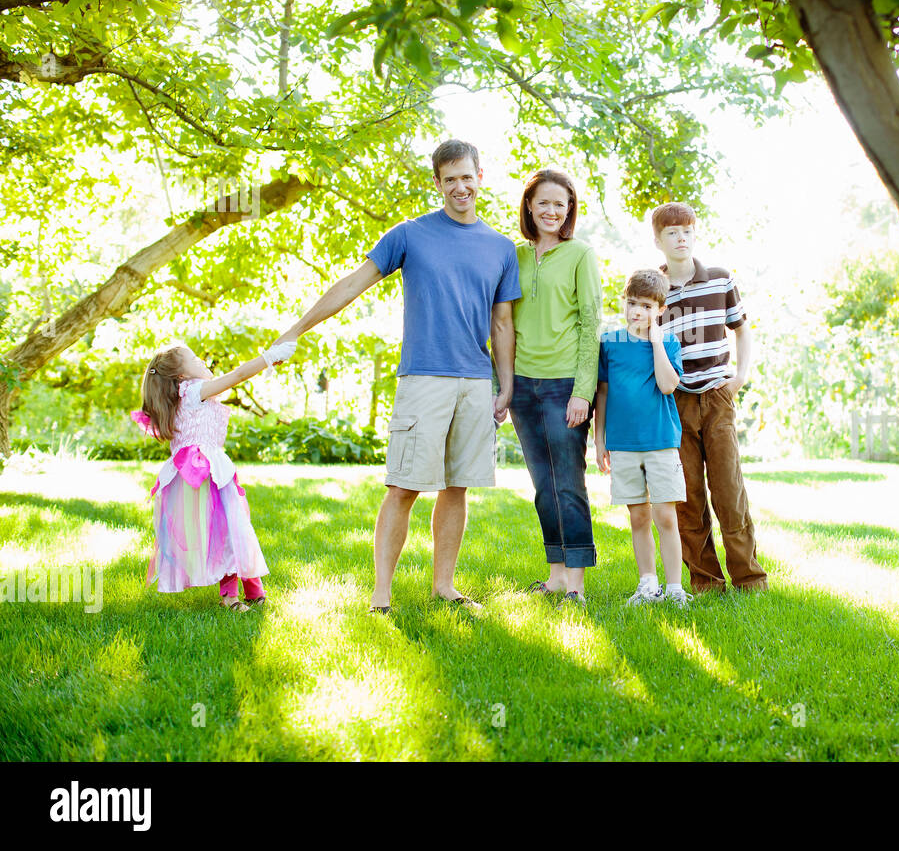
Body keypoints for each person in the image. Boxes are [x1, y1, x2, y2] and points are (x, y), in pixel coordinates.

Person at [273, 139, 521, 612]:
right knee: (403, 486)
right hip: (423, 379)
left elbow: (502, 322)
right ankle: (381, 594)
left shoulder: (501, 248)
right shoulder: (409, 235)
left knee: (456, 487)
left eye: (467, 177)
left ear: (480, 177)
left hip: (474, 381)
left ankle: (444, 586)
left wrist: (504, 384)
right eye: (450, 179)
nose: (460, 187)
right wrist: (296, 329)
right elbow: (351, 284)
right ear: (437, 183)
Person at [653, 202, 769, 593]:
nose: (681, 237)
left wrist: (739, 377)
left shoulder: (720, 280)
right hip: (675, 403)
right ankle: (706, 582)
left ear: (695, 234)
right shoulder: (655, 288)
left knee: (728, 491)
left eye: (687, 230)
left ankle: (749, 579)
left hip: (717, 398)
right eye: (672, 232)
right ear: (659, 240)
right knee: (687, 497)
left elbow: (742, 329)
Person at [133, 340, 296, 611]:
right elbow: (237, 376)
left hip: (193, 474)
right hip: (205, 473)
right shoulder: (195, 390)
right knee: (231, 531)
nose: (202, 361)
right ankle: (231, 597)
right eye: (195, 359)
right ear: (182, 376)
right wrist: (267, 358)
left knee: (234, 529)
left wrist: (269, 364)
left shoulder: (182, 396)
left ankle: (253, 589)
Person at [509, 169, 602, 605]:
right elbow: (502, 322)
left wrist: (583, 390)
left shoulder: (581, 254)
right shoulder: (516, 256)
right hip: (523, 387)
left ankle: (577, 585)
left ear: (569, 211)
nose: (551, 211)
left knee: (568, 481)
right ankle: (556, 577)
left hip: (565, 383)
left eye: (559, 204)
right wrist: (503, 385)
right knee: (543, 485)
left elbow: (591, 324)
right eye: (543, 202)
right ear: (529, 205)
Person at [593, 270, 692, 607]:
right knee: (638, 516)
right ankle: (647, 584)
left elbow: (668, 385)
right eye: (632, 303)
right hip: (623, 443)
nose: (637, 311)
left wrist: (654, 342)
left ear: (660, 310)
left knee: (665, 515)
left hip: (661, 440)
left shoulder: (669, 342)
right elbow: (602, 394)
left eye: (647, 306)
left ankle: (675, 588)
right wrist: (599, 440)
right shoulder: (610, 343)